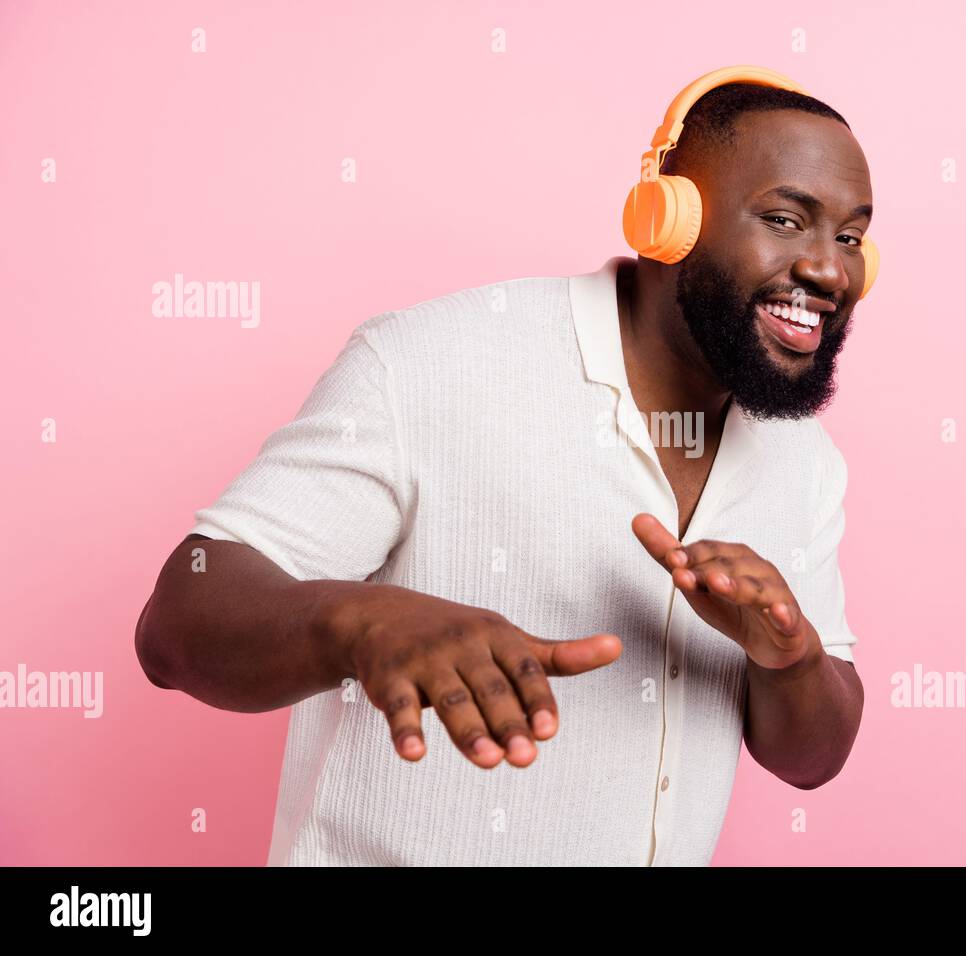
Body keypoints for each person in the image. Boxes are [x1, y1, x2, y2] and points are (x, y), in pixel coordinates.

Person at [135, 65, 877, 866]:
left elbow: (814, 758)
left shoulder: (803, 458)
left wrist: (791, 656)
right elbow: (178, 622)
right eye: (785, 219)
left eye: (849, 237)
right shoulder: (429, 364)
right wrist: (356, 624)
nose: (830, 271)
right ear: (668, 219)